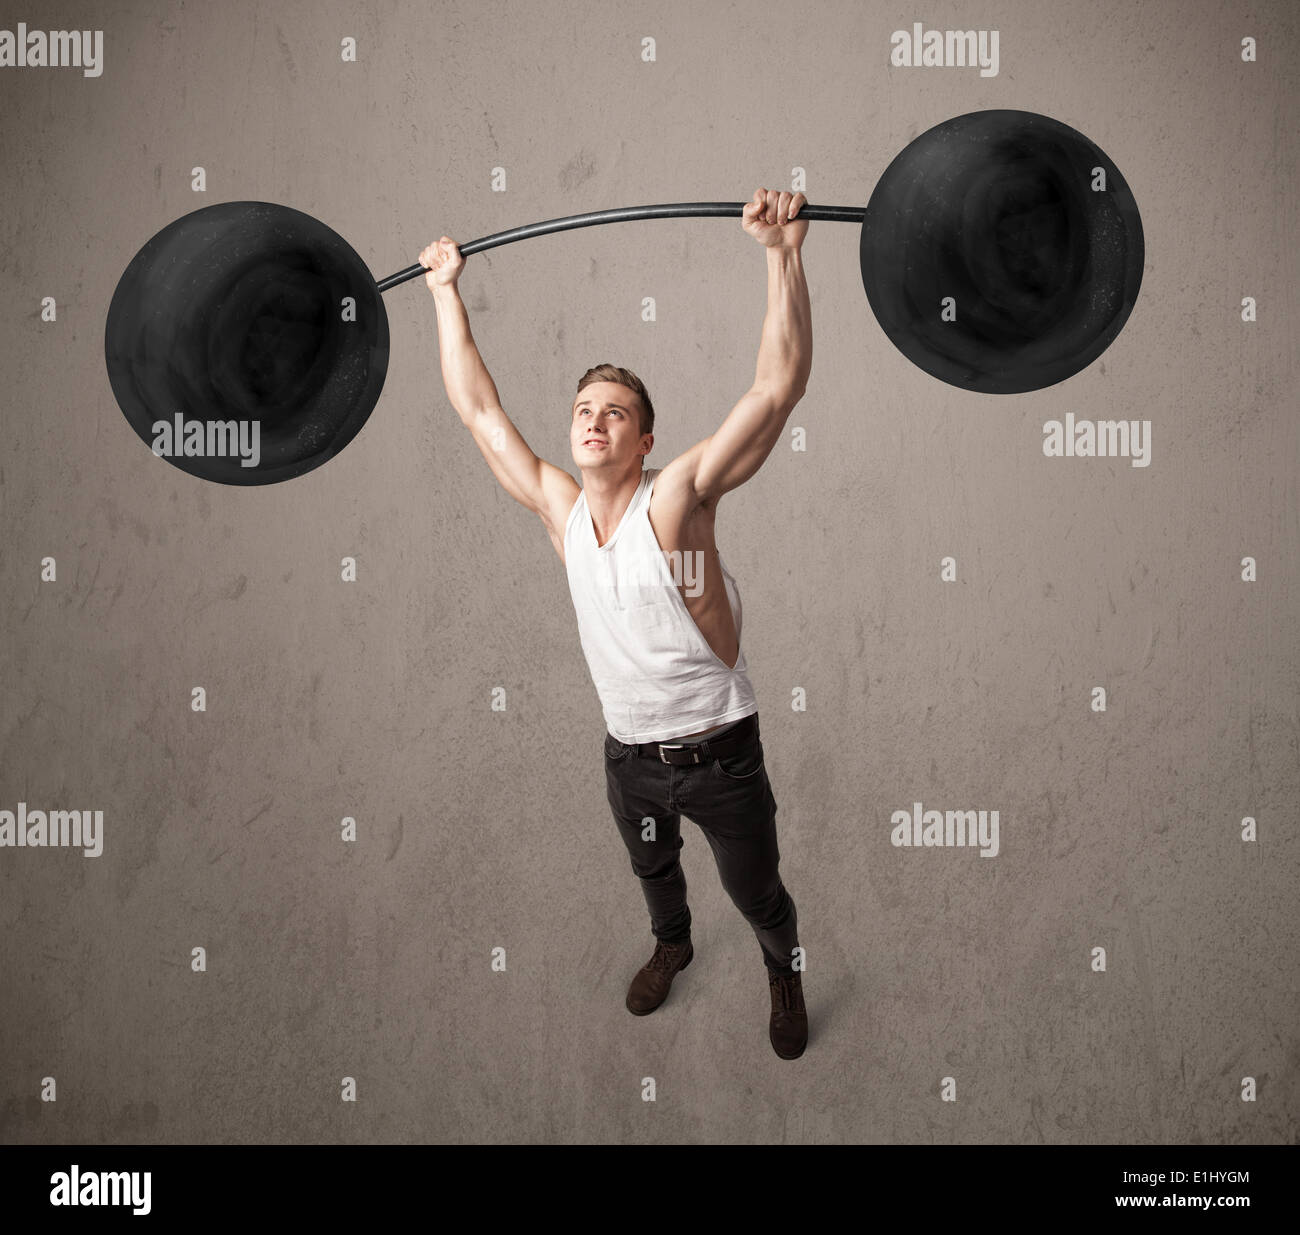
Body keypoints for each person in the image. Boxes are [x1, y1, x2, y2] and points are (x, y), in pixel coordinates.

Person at [420, 188, 812, 1059]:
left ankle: (783, 968)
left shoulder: (674, 500)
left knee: (761, 895)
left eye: (616, 413)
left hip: (719, 755)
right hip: (629, 757)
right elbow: (481, 416)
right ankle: (673, 943)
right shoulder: (562, 512)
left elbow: (776, 390)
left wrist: (782, 255)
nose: (594, 421)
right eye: (584, 410)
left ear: (643, 440)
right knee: (654, 871)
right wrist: (446, 293)